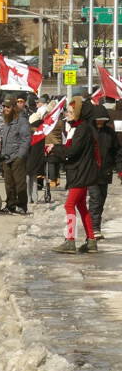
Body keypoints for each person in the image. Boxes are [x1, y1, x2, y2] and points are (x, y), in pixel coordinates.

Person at [51, 97, 100, 254]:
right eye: (67, 111)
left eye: (71, 112)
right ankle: (91, 240)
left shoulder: (82, 129)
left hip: (80, 172)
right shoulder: (78, 127)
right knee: (81, 206)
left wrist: (55, 148)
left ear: (78, 113)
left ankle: (70, 240)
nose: (68, 114)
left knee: (69, 205)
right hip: (80, 171)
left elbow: (72, 152)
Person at [88, 104, 120, 239]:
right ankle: (94, 229)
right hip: (91, 172)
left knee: (101, 200)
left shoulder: (110, 133)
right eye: (98, 119)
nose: (100, 122)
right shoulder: (88, 131)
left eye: (103, 119)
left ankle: (95, 227)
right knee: (95, 199)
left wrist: (120, 169)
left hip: (105, 172)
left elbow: (117, 152)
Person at [0, 97, 31, 215]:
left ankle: (22, 206)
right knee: (8, 183)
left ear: (13, 108)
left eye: (8, 107)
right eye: (4, 107)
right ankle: (10, 205)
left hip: (17, 157)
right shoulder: (7, 121)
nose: (5, 109)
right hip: (6, 158)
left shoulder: (21, 121)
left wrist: (20, 155)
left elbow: (26, 139)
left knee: (19, 183)